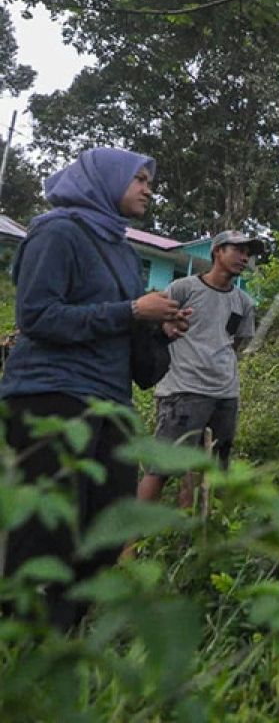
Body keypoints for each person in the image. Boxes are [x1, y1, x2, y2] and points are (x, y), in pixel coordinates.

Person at [0, 147, 190, 630]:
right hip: (52, 397)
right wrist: (131, 313)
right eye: (139, 179)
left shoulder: (123, 252)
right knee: (46, 536)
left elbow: (138, 360)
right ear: (105, 181)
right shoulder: (59, 231)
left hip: (110, 405)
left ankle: (60, 636)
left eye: (150, 179)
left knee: (106, 531)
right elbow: (37, 317)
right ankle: (28, 647)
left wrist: (157, 331)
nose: (149, 188)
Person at [136, 230, 262, 509]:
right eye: (238, 250)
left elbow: (236, 342)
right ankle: (128, 547)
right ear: (217, 251)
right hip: (183, 391)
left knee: (211, 470)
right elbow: (155, 321)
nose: (244, 257)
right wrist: (166, 326)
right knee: (161, 468)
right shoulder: (184, 289)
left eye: (247, 253)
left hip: (225, 395)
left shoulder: (243, 302)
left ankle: (189, 539)